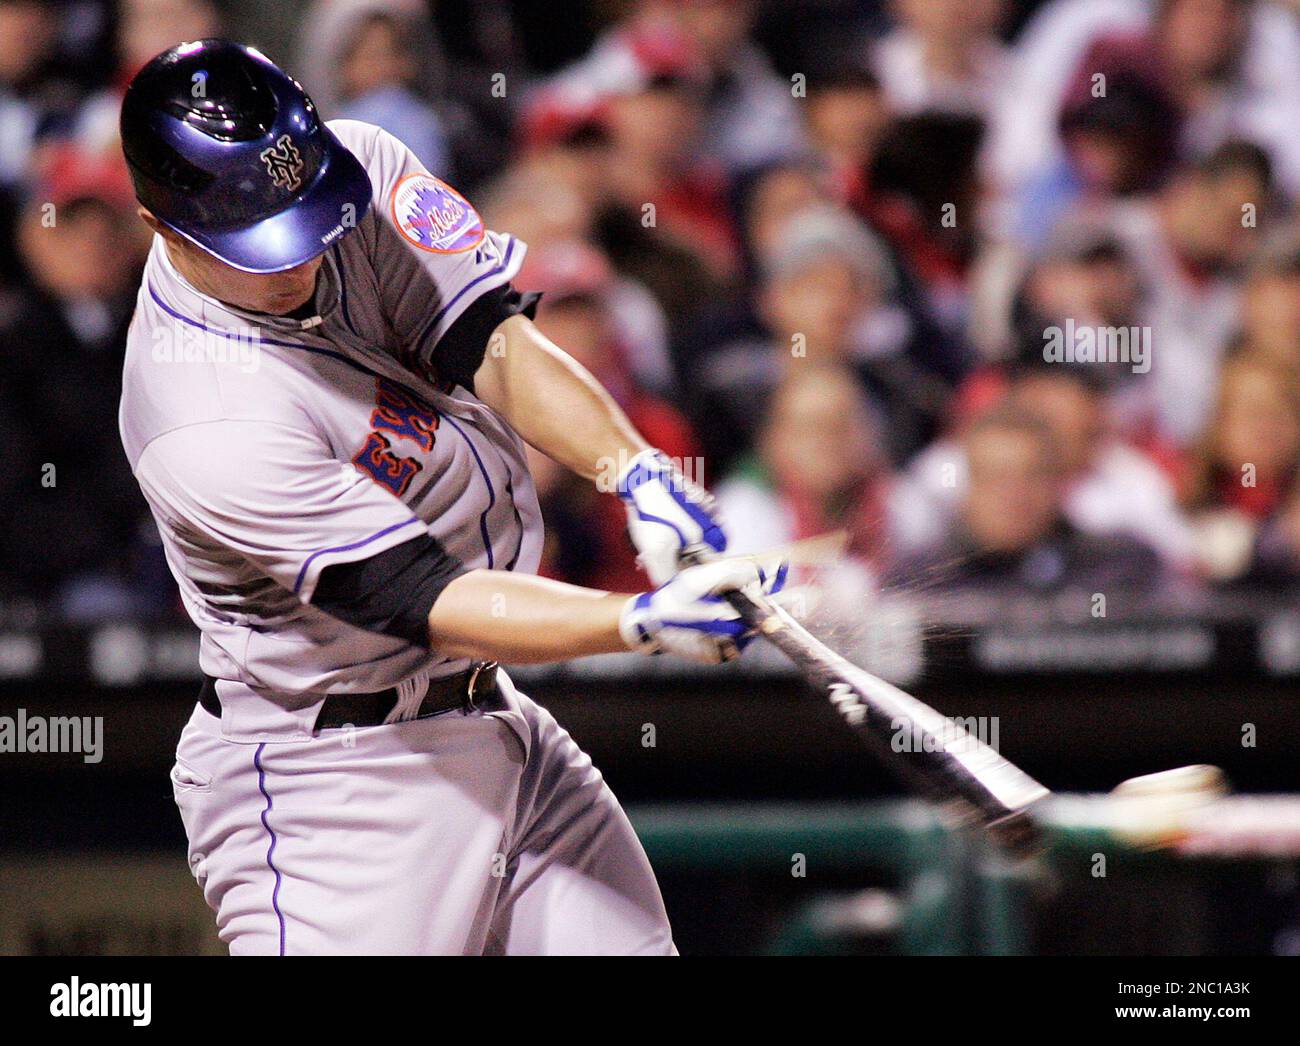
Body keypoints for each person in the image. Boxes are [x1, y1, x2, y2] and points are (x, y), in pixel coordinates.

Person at [117, 40, 783, 956]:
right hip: (334, 787)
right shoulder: (201, 417)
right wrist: (635, 621)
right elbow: (427, 602)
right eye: (255, 235)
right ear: (160, 224)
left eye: (302, 208)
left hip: (497, 726)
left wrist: (638, 474)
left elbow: (491, 342)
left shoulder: (362, 166)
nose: (298, 251)